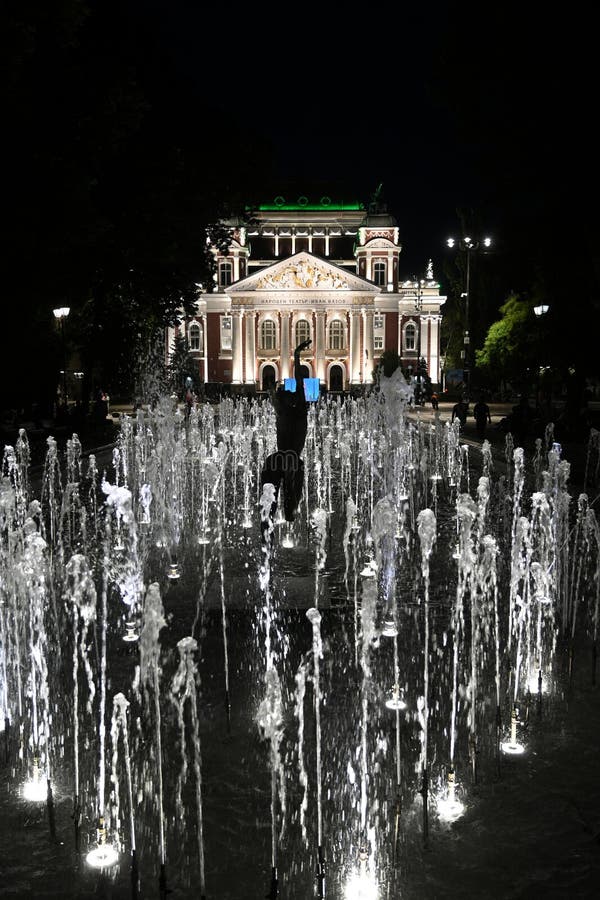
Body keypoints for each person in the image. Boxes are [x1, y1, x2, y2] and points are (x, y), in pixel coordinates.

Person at [260, 339, 311, 540]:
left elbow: (296, 383)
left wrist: (297, 356)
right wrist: (296, 356)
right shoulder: (295, 412)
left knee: (271, 500)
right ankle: (282, 513)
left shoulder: (287, 411)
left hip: (281, 459)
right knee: (286, 497)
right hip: (290, 460)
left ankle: (268, 523)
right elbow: (295, 384)